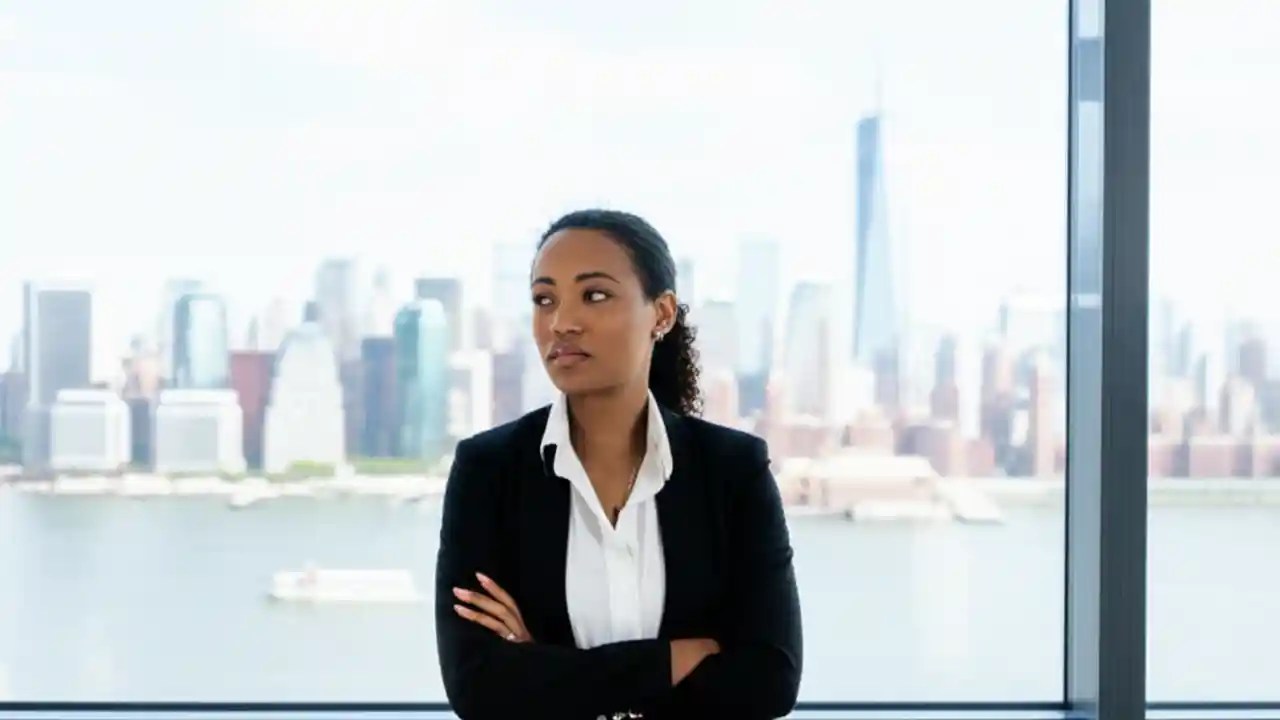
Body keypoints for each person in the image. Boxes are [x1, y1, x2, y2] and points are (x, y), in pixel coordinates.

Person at [435, 209, 802, 719]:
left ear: (662, 314)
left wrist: (545, 667)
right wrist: (676, 657)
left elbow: (769, 682)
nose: (562, 321)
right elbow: (478, 687)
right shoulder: (489, 471)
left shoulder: (731, 470)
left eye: (595, 295)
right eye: (545, 299)